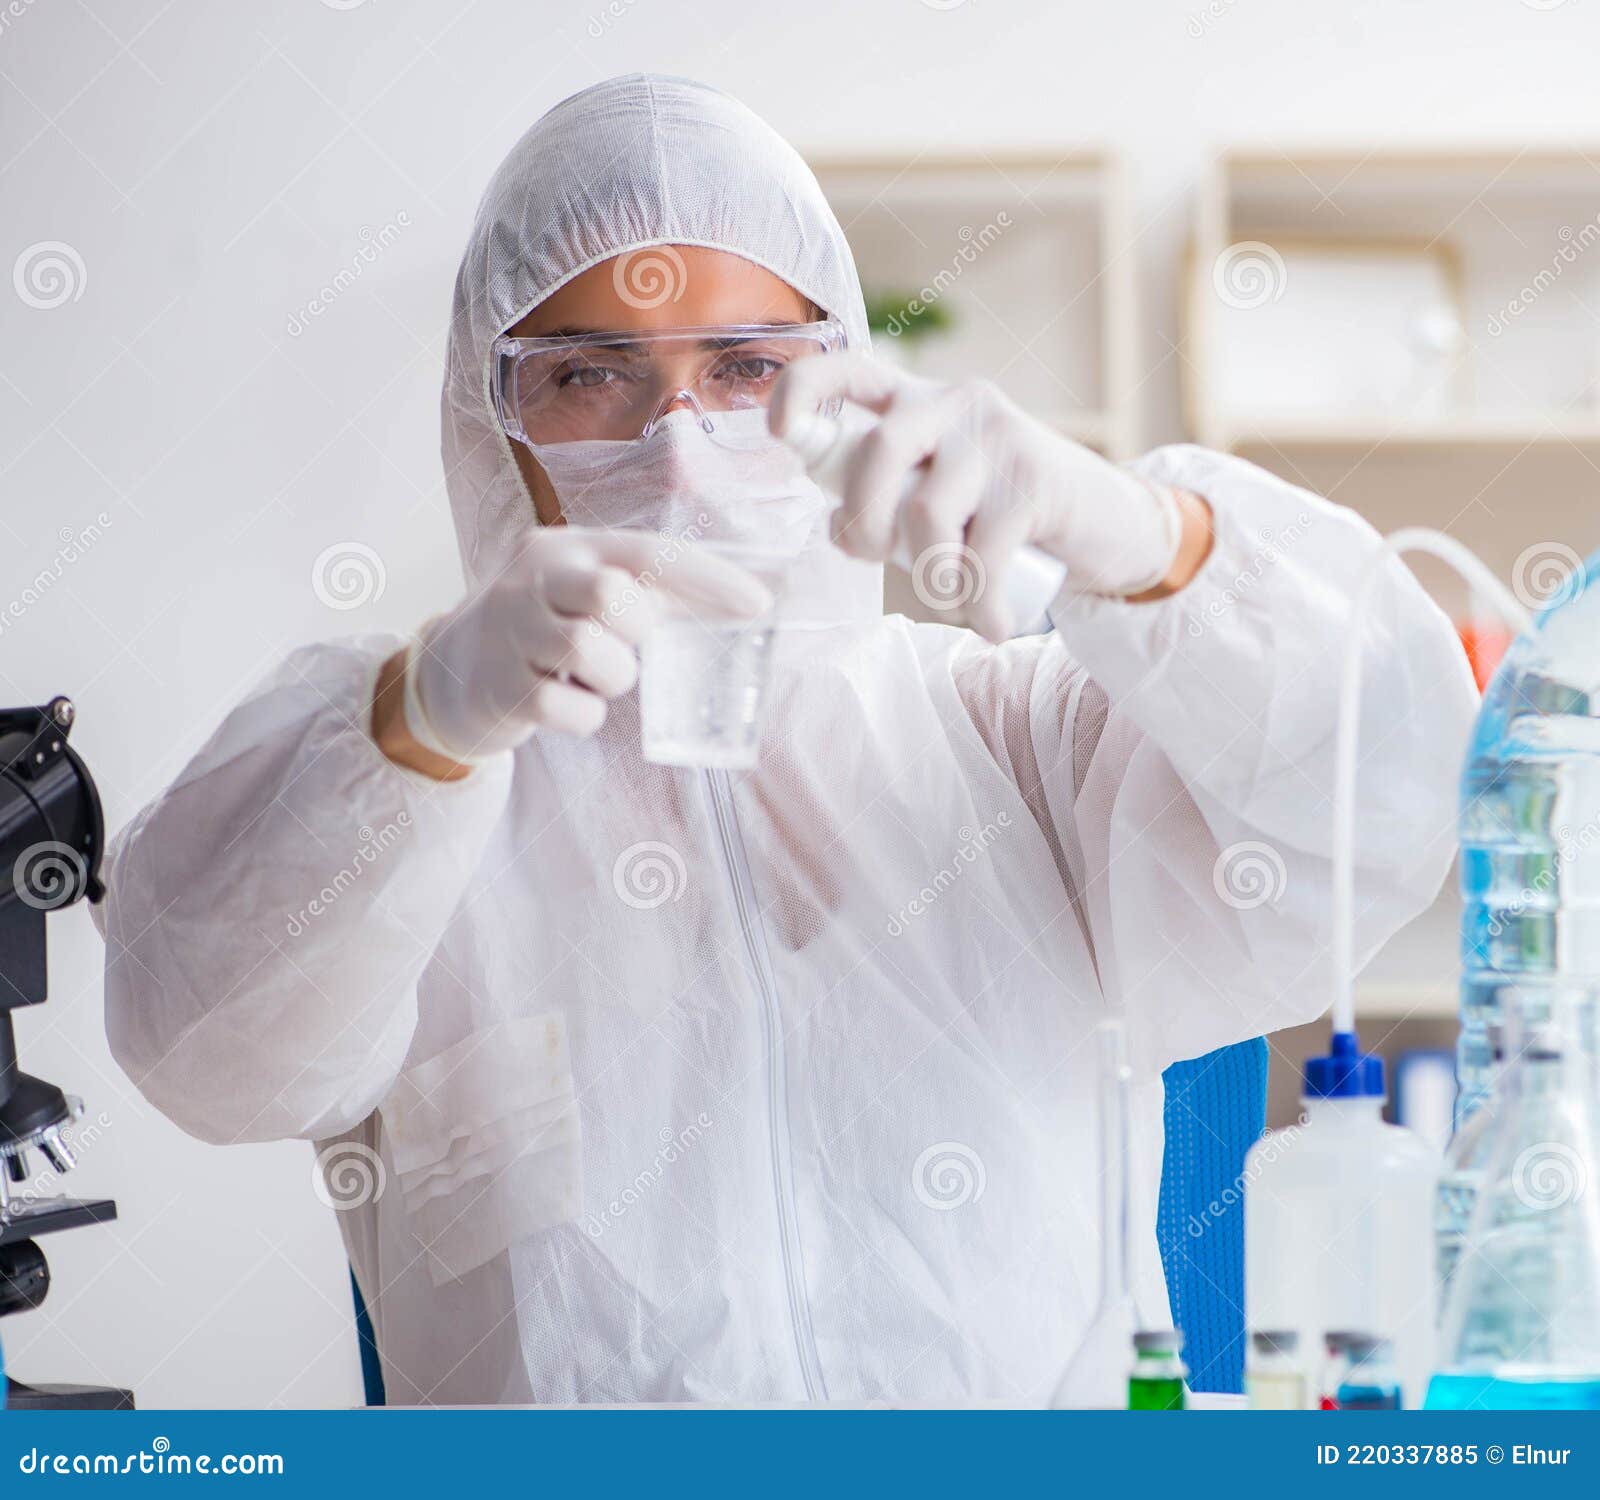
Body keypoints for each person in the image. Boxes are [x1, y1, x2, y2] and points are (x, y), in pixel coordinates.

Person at [96, 74, 1477, 1405]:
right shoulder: (413, 790)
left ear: (843, 378)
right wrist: (412, 726)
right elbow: (207, 1054)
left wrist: (1145, 542)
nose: (680, 442)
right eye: (587, 373)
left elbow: (1373, 805)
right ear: (488, 412)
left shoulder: (1007, 741)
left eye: (749, 367)